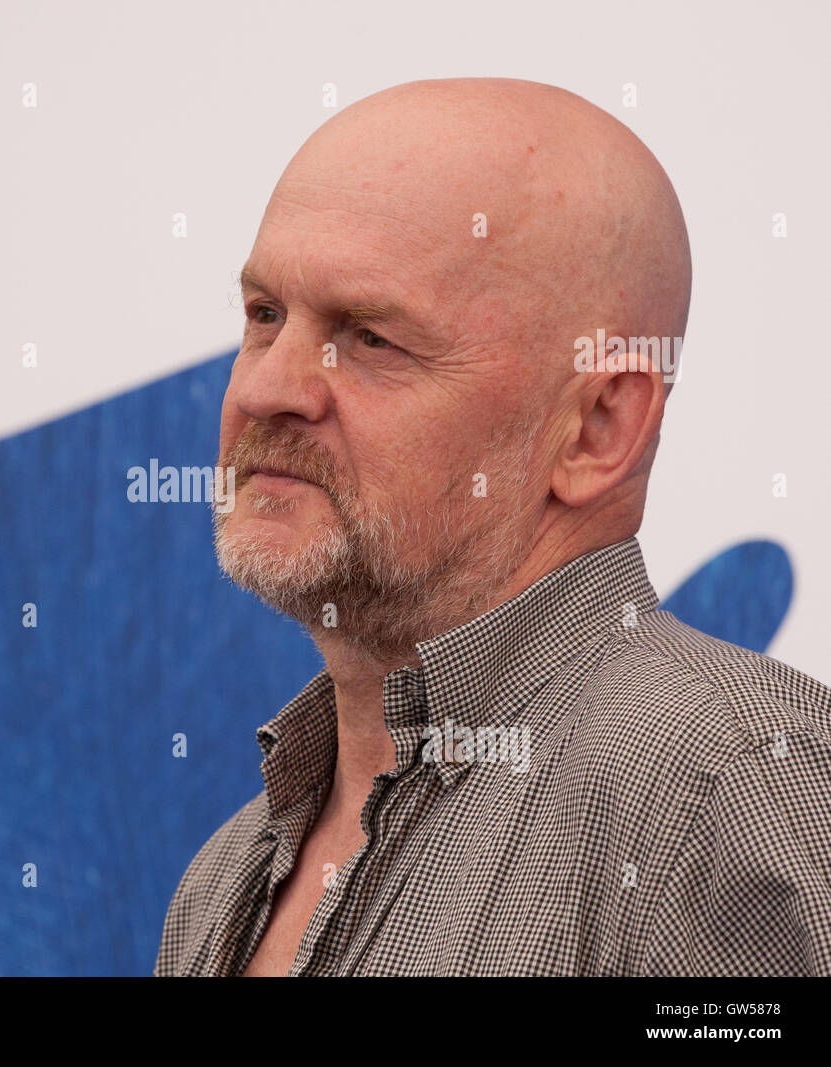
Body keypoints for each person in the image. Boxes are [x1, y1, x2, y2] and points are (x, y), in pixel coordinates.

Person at [153, 77, 831, 976]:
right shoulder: (225, 875)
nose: (267, 388)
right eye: (265, 316)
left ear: (597, 428)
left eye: (369, 338)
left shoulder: (729, 787)